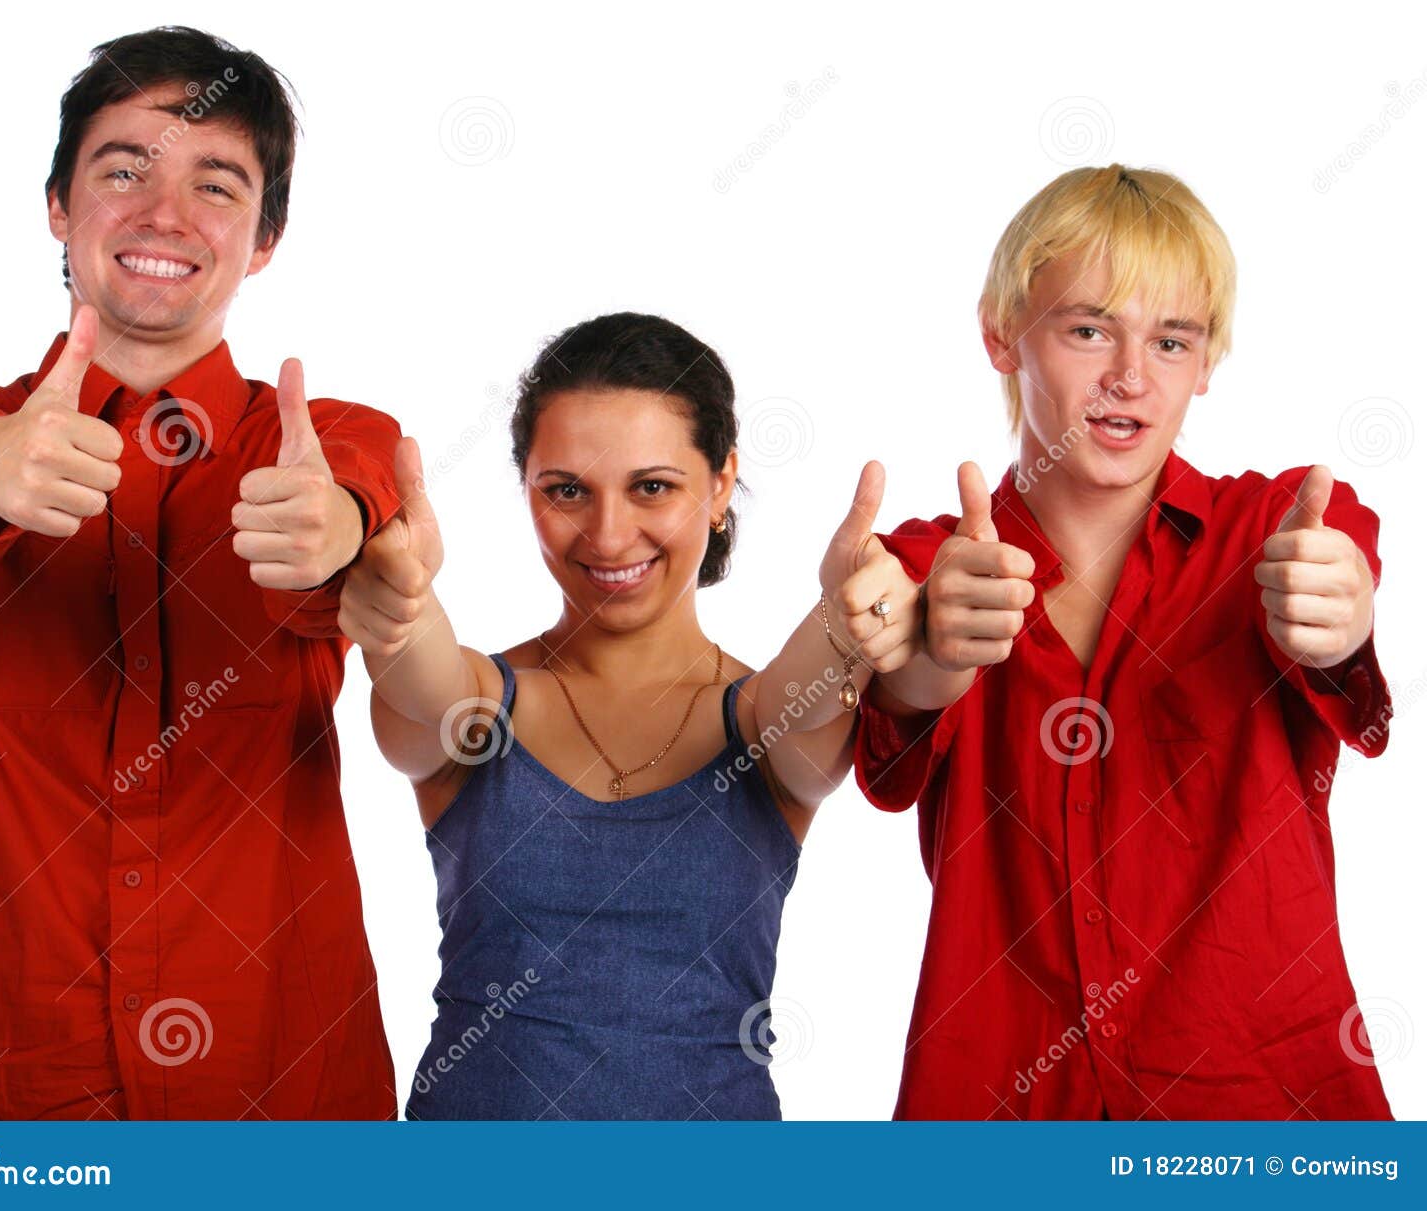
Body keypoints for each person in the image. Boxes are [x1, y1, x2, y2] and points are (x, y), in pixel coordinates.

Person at [0, 27, 400, 1119]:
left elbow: (353, 513)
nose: (165, 213)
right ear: (58, 204)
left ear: (266, 236)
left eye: (216, 183)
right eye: (123, 170)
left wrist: (334, 528)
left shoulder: (329, 441)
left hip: (275, 1093)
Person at [857, 164, 1393, 1119]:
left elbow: (1338, 586)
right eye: (1089, 329)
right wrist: (931, 653)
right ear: (1000, 333)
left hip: (1267, 1122)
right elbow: (902, 702)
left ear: (1206, 363)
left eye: (1172, 339)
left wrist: (1339, 620)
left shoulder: (1274, 528)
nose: (1131, 377)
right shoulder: (935, 564)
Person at [339, 313, 917, 1119]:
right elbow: (419, 676)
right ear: (526, 492)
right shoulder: (476, 711)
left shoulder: (759, 723)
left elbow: (806, 689)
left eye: (653, 486)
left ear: (720, 486)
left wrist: (840, 624)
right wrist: (400, 610)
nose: (609, 534)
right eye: (567, 489)